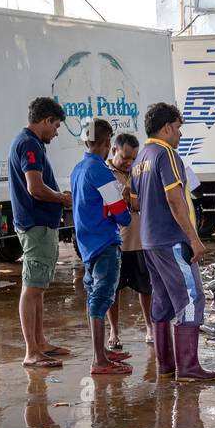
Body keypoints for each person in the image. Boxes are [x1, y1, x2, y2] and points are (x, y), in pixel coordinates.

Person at [130, 102, 215, 382]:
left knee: (163, 301)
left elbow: (132, 200)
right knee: (191, 298)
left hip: (150, 242)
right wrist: (194, 238)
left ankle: (165, 367)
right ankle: (189, 367)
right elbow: (175, 199)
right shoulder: (167, 154)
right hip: (171, 240)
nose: (180, 134)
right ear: (166, 127)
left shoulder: (140, 157)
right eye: (178, 128)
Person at [9, 96, 72, 368]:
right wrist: (61, 198)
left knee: (38, 288)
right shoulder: (28, 144)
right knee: (32, 288)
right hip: (35, 224)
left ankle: (40, 342)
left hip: (39, 223)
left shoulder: (30, 143)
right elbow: (35, 187)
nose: (56, 132)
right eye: (55, 125)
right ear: (45, 120)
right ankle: (31, 351)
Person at [70, 117, 133, 376]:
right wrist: (125, 200)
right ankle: (99, 360)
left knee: (93, 297)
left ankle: (101, 353)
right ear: (107, 143)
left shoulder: (78, 169)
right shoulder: (100, 172)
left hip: (86, 244)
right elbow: (122, 215)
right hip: (105, 242)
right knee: (100, 298)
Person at [106, 132, 153, 349]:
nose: (129, 162)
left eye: (134, 157)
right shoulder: (104, 173)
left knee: (146, 289)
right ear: (114, 150)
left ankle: (150, 328)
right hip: (116, 243)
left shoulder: (139, 171)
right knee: (113, 291)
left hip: (141, 242)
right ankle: (114, 332)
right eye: (125, 157)